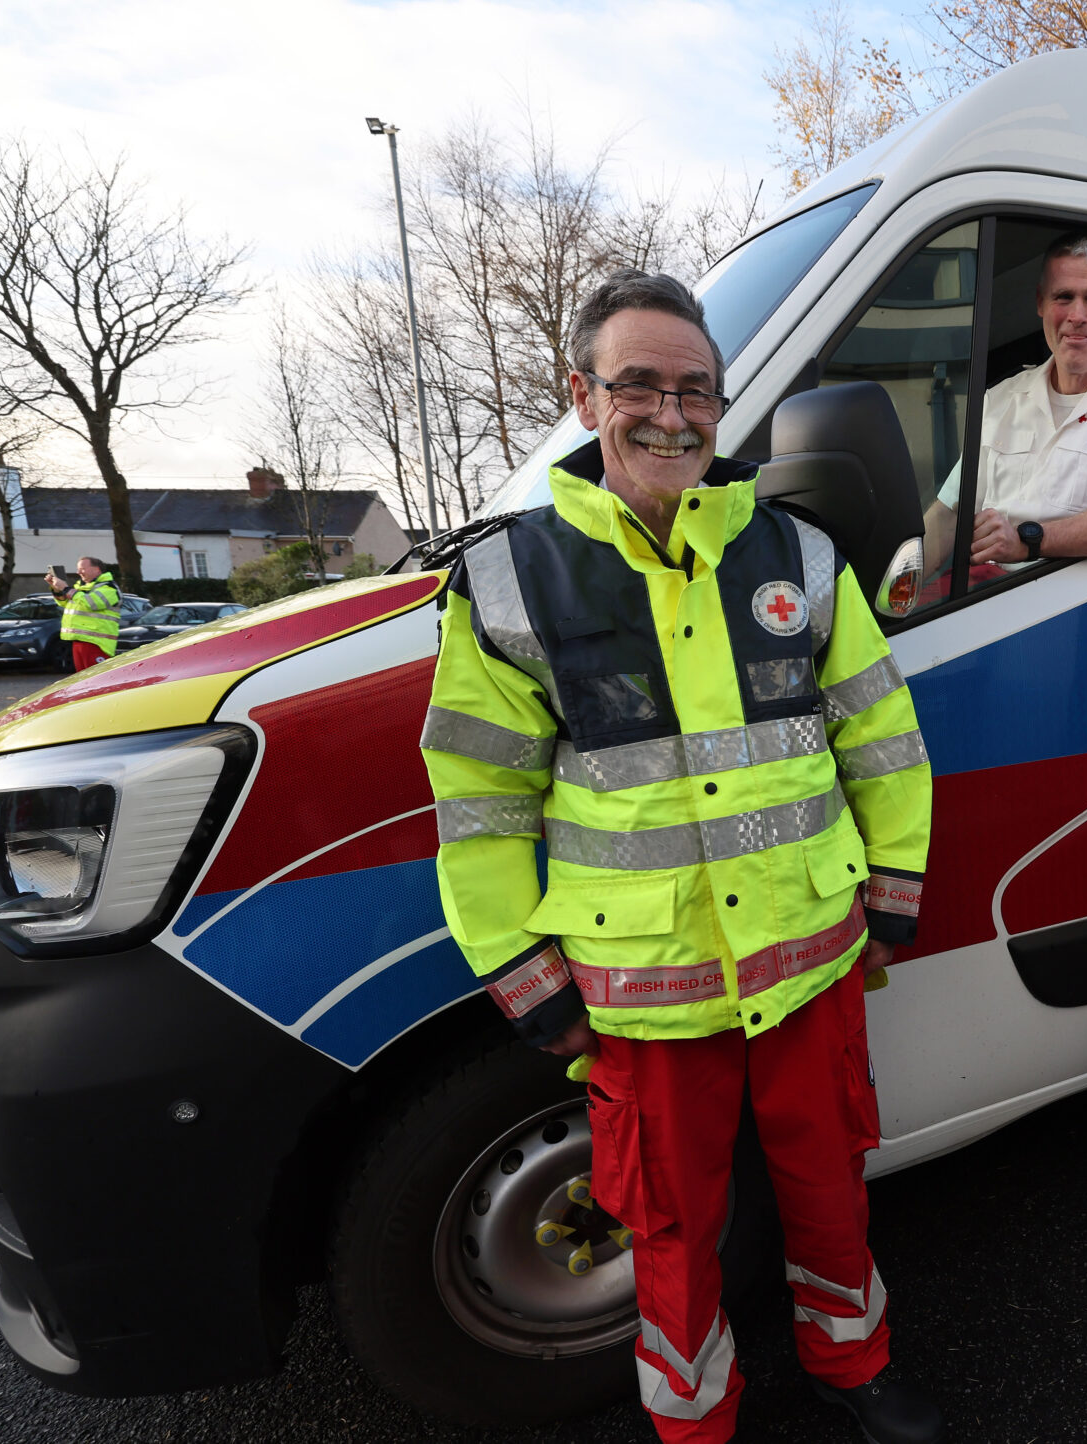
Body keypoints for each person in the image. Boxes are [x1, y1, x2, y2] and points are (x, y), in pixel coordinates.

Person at [419, 270, 942, 1444]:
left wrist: (893, 894)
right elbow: (479, 802)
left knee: (827, 1192)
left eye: (694, 388)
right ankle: (694, 1420)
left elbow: (880, 736)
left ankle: (854, 1367)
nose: (670, 412)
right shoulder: (509, 580)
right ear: (583, 396)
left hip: (806, 961)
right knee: (666, 1224)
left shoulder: (796, 555)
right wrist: (525, 977)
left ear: (721, 403)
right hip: (643, 993)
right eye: (639, 384)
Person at [921, 233, 1087, 578]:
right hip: (983, 601)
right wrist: (892, 593)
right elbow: (949, 515)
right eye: (1064, 296)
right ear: (1040, 302)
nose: (1077, 315)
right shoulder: (1001, 397)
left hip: (1074, 609)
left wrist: (1029, 541)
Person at [49, 556, 120, 670]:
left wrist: (66, 588)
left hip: (97, 643)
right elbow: (64, 603)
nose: (78, 572)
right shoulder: (82, 587)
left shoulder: (109, 588)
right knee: (83, 682)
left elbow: (91, 603)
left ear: (96, 569)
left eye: (82, 569)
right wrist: (57, 589)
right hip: (81, 641)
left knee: (97, 681)